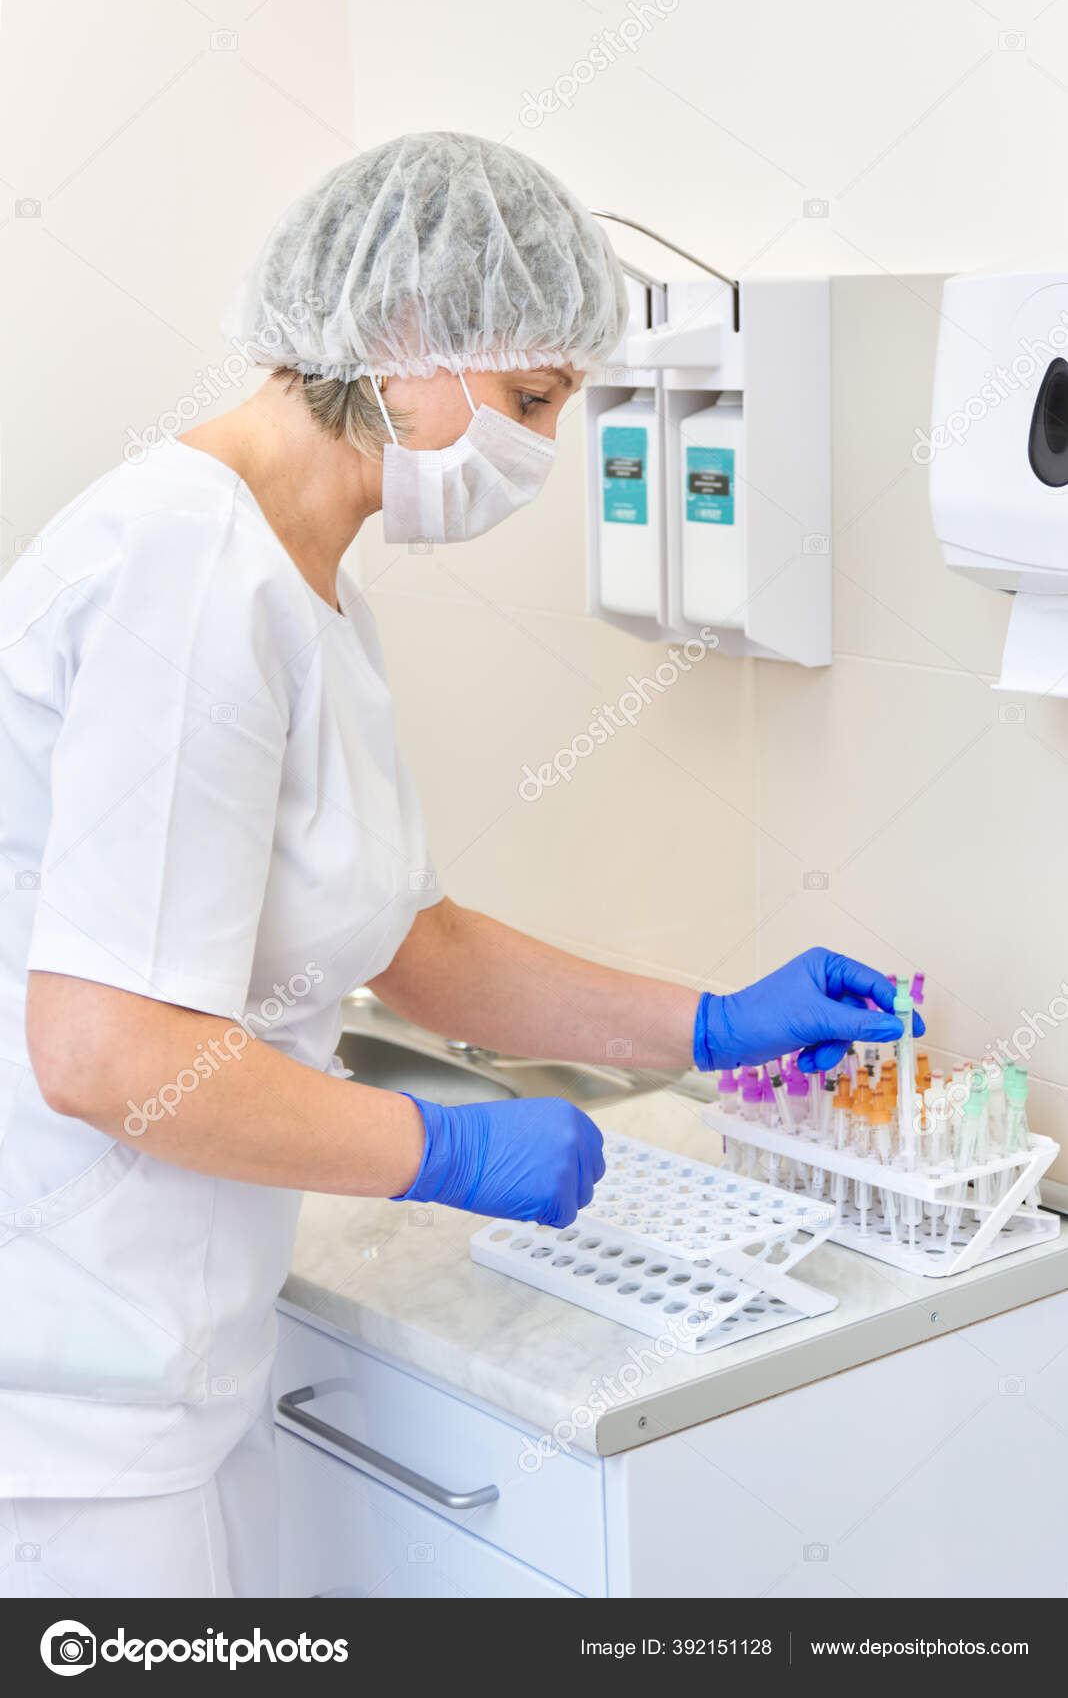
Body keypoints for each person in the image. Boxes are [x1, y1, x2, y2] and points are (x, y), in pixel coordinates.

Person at [0, 132, 921, 1598]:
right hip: (68, 1397)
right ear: (408, 334)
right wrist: (444, 1152)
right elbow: (107, 1053)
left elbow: (412, 945)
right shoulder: (185, 570)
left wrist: (710, 1023)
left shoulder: (308, 587)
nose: (545, 454)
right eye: (535, 398)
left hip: (176, 1350)